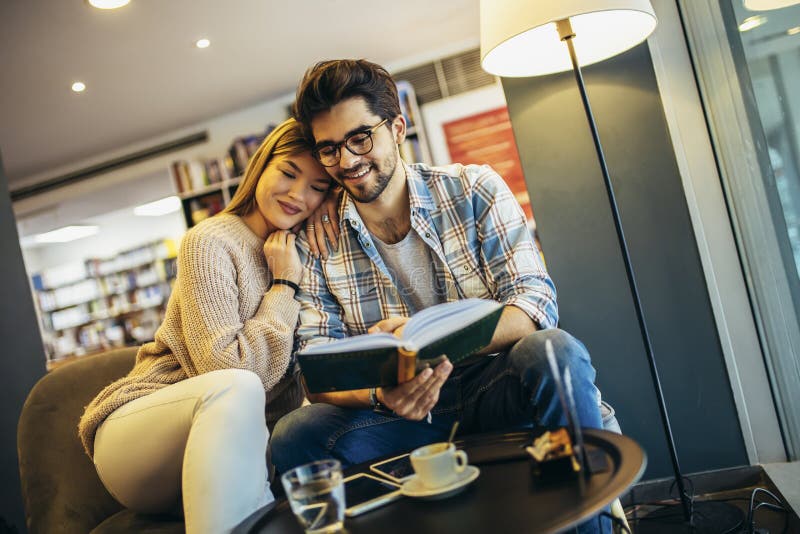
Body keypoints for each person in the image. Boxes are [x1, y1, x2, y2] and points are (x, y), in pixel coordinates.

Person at [270, 59, 618, 476]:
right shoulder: (316, 241)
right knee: (295, 432)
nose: (346, 160)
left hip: (494, 381)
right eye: (329, 148)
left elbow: (534, 305)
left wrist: (430, 348)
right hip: (400, 415)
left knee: (554, 350)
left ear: (397, 129)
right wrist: (381, 393)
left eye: (360, 138)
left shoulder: (473, 189)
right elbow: (316, 370)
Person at [78, 118, 336, 534]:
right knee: (237, 384)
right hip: (142, 441)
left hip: (231, 450)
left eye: (317, 187)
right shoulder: (211, 241)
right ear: (259, 167)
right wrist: (283, 286)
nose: (297, 194)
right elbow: (227, 369)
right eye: (288, 173)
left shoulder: (302, 250)